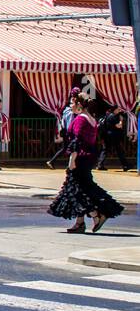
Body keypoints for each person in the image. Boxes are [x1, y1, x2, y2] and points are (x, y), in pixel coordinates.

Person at [48, 93, 123, 233]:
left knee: (76, 190)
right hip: (88, 158)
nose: (70, 106)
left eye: (72, 103)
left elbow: (77, 141)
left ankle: (96, 215)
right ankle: (80, 222)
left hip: (80, 158)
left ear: (79, 105)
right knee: (81, 188)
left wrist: (72, 159)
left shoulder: (81, 119)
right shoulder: (92, 119)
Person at [46, 89, 80, 168]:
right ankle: (71, 165)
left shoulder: (68, 106)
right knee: (73, 147)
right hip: (70, 130)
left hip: (65, 129)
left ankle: (52, 161)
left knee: (66, 148)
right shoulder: (73, 104)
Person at [97, 105, 130, 171]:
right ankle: (125, 165)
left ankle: (100, 164)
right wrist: (121, 120)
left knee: (105, 150)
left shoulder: (108, 115)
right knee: (119, 151)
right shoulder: (114, 116)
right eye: (118, 109)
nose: (119, 110)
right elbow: (118, 126)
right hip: (114, 136)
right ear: (114, 110)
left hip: (107, 135)